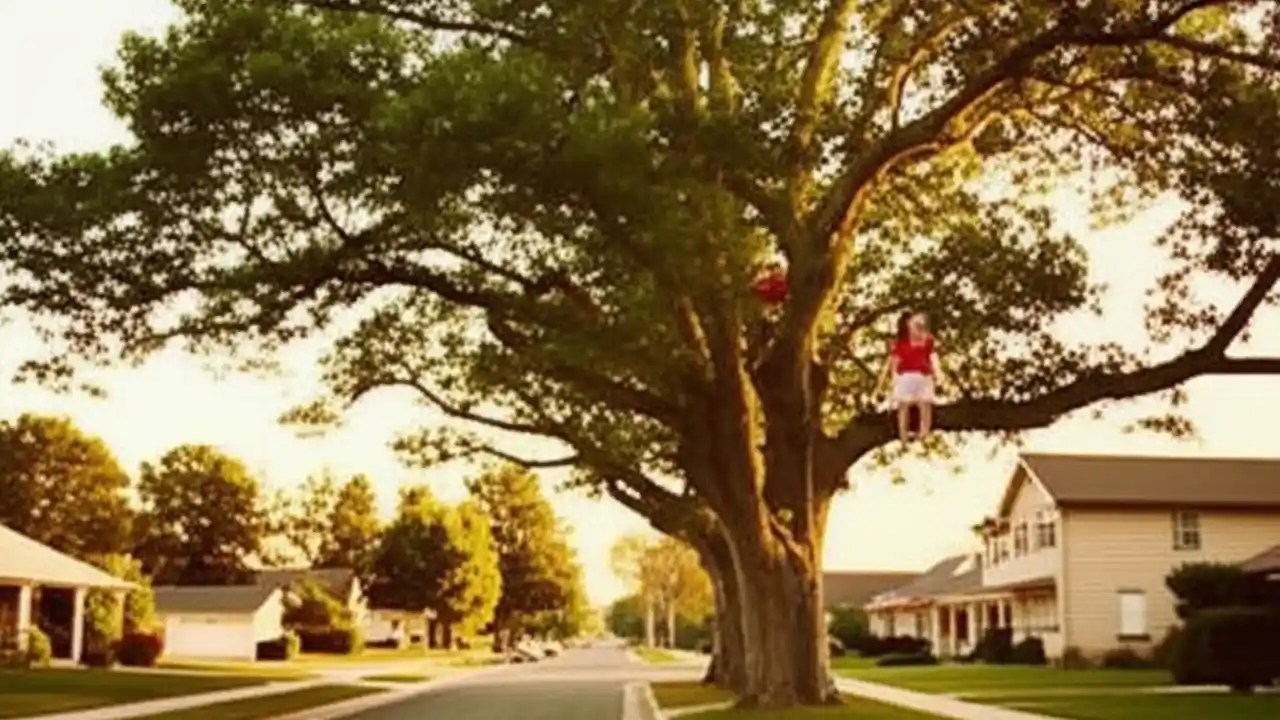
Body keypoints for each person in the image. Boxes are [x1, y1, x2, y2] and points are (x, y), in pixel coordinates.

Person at [876, 311, 939, 442]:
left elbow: (932, 361)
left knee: (919, 406)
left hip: (919, 377)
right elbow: (892, 365)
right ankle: (907, 433)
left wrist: (938, 378)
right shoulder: (900, 344)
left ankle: (918, 433)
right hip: (908, 377)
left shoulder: (925, 341)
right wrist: (883, 387)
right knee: (907, 407)